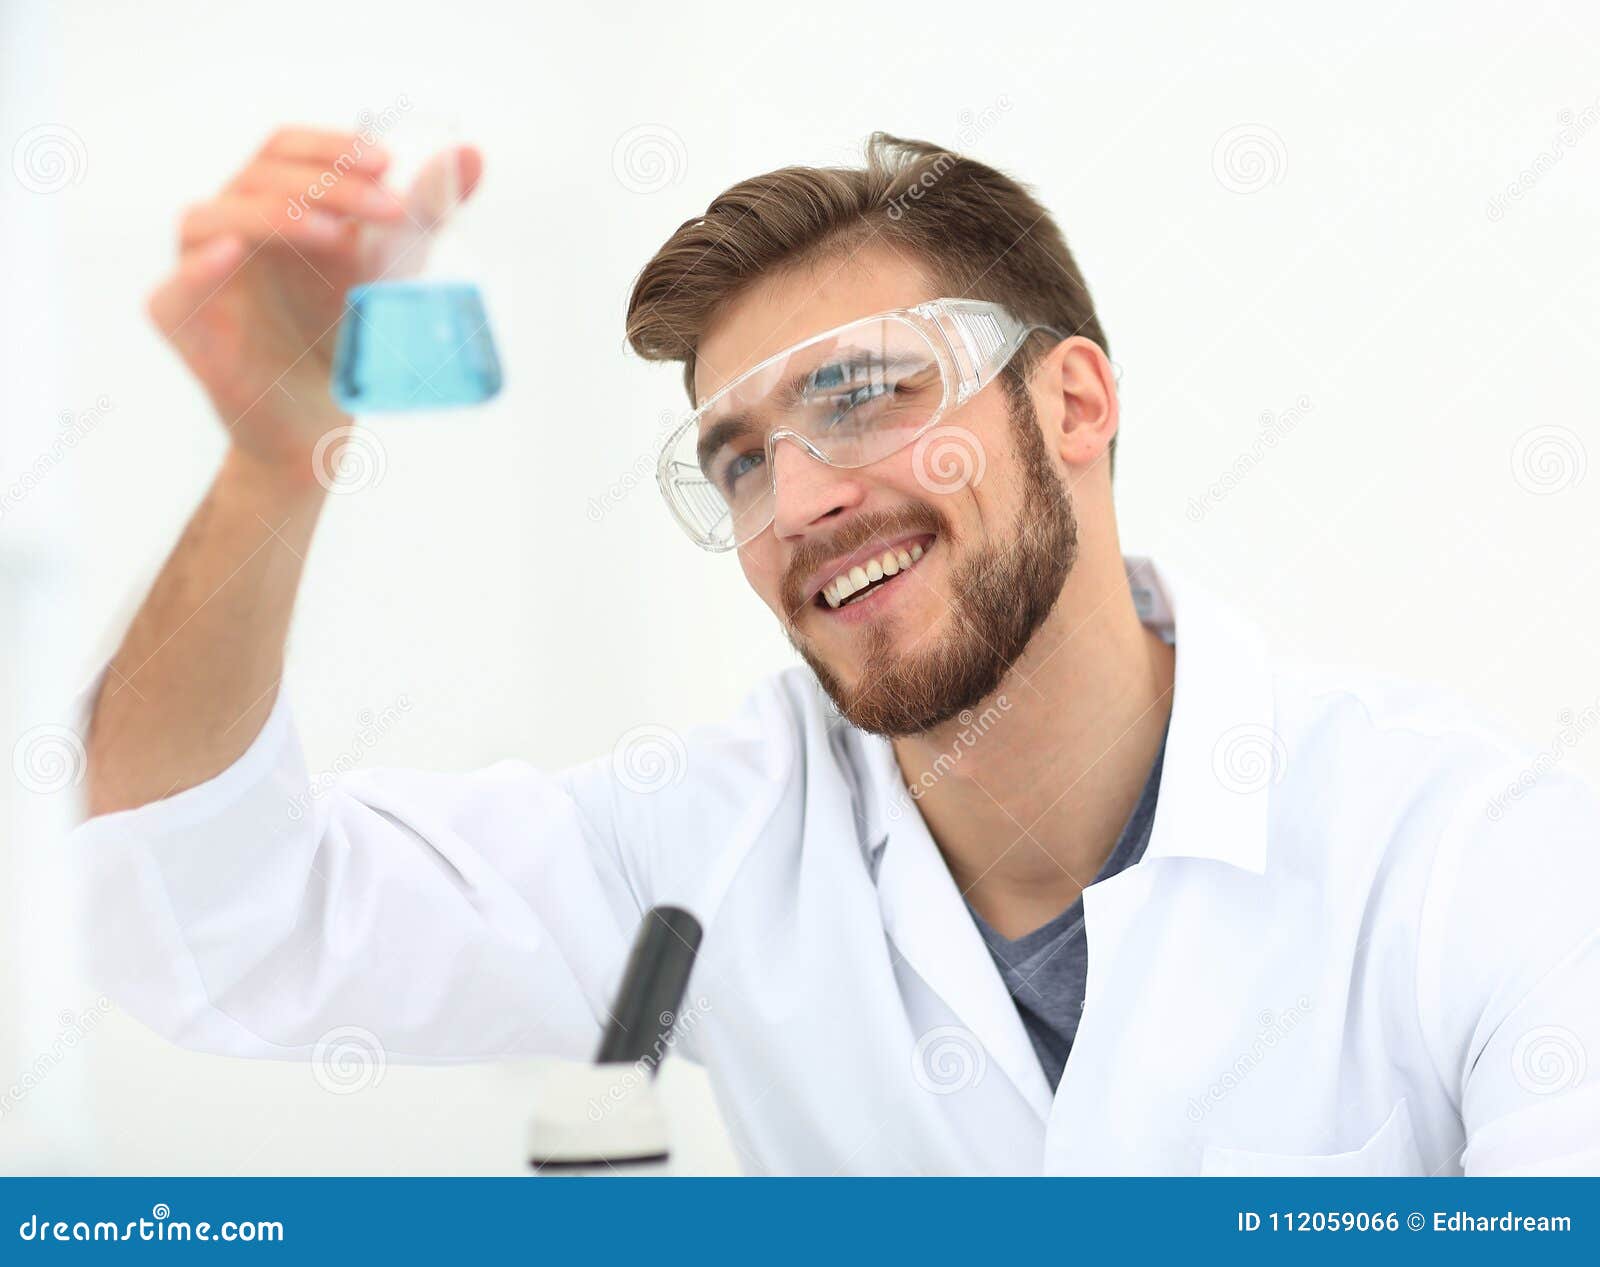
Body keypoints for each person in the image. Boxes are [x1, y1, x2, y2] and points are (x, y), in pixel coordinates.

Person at [68, 129, 1599, 1176]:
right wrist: (272, 464)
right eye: (737, 458)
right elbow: (209, 916)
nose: (798, 499)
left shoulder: (1467, 858)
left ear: (1071, 408)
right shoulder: (700, 844)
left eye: (864, 394)